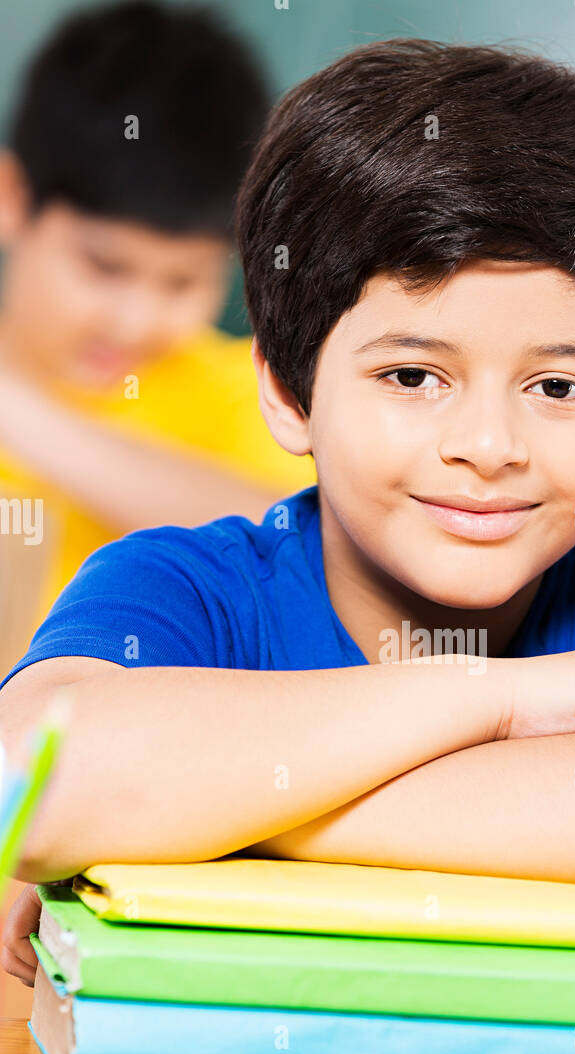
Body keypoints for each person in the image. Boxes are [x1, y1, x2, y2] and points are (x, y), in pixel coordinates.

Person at [1, 39, 575, 989]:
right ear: (290, 394)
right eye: (412, 376)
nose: (489, 445)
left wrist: (179, 817)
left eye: (559, 386)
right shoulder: (183, 586)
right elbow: (31, 780)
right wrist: (503, 697)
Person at [0, 1, 315, 671]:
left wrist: (18, 412)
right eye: (104, 267)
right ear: (11, 198)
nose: (138, 321)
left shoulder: (255, 391)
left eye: (182, 283)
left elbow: (296, 555)